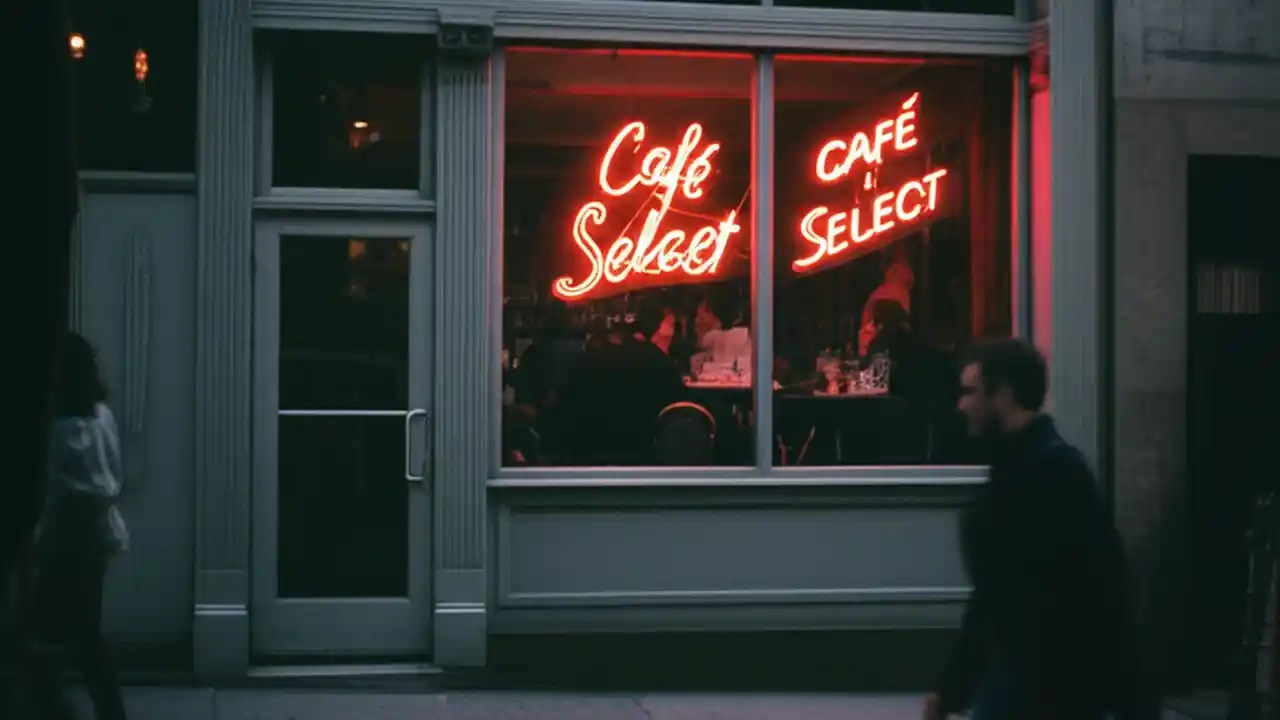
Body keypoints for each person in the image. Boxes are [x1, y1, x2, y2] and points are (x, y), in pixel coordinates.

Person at [924, 338, 1155, 720]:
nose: (960, 405)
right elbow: (993, 597)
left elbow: (1102, 592)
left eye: (969, 392)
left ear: (1004, 394)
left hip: (1051, 687)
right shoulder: (1020, 471)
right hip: (1025, 683)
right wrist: (953, 689)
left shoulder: (1053, 475)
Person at [21, 332, 129, 720]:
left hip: (65, 545)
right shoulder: (102, 415)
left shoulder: (56, 431)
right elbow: (115, 474)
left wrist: (35, 548)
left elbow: (54, 499)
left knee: (31, 639)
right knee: (86, 638)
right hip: (98, 539)